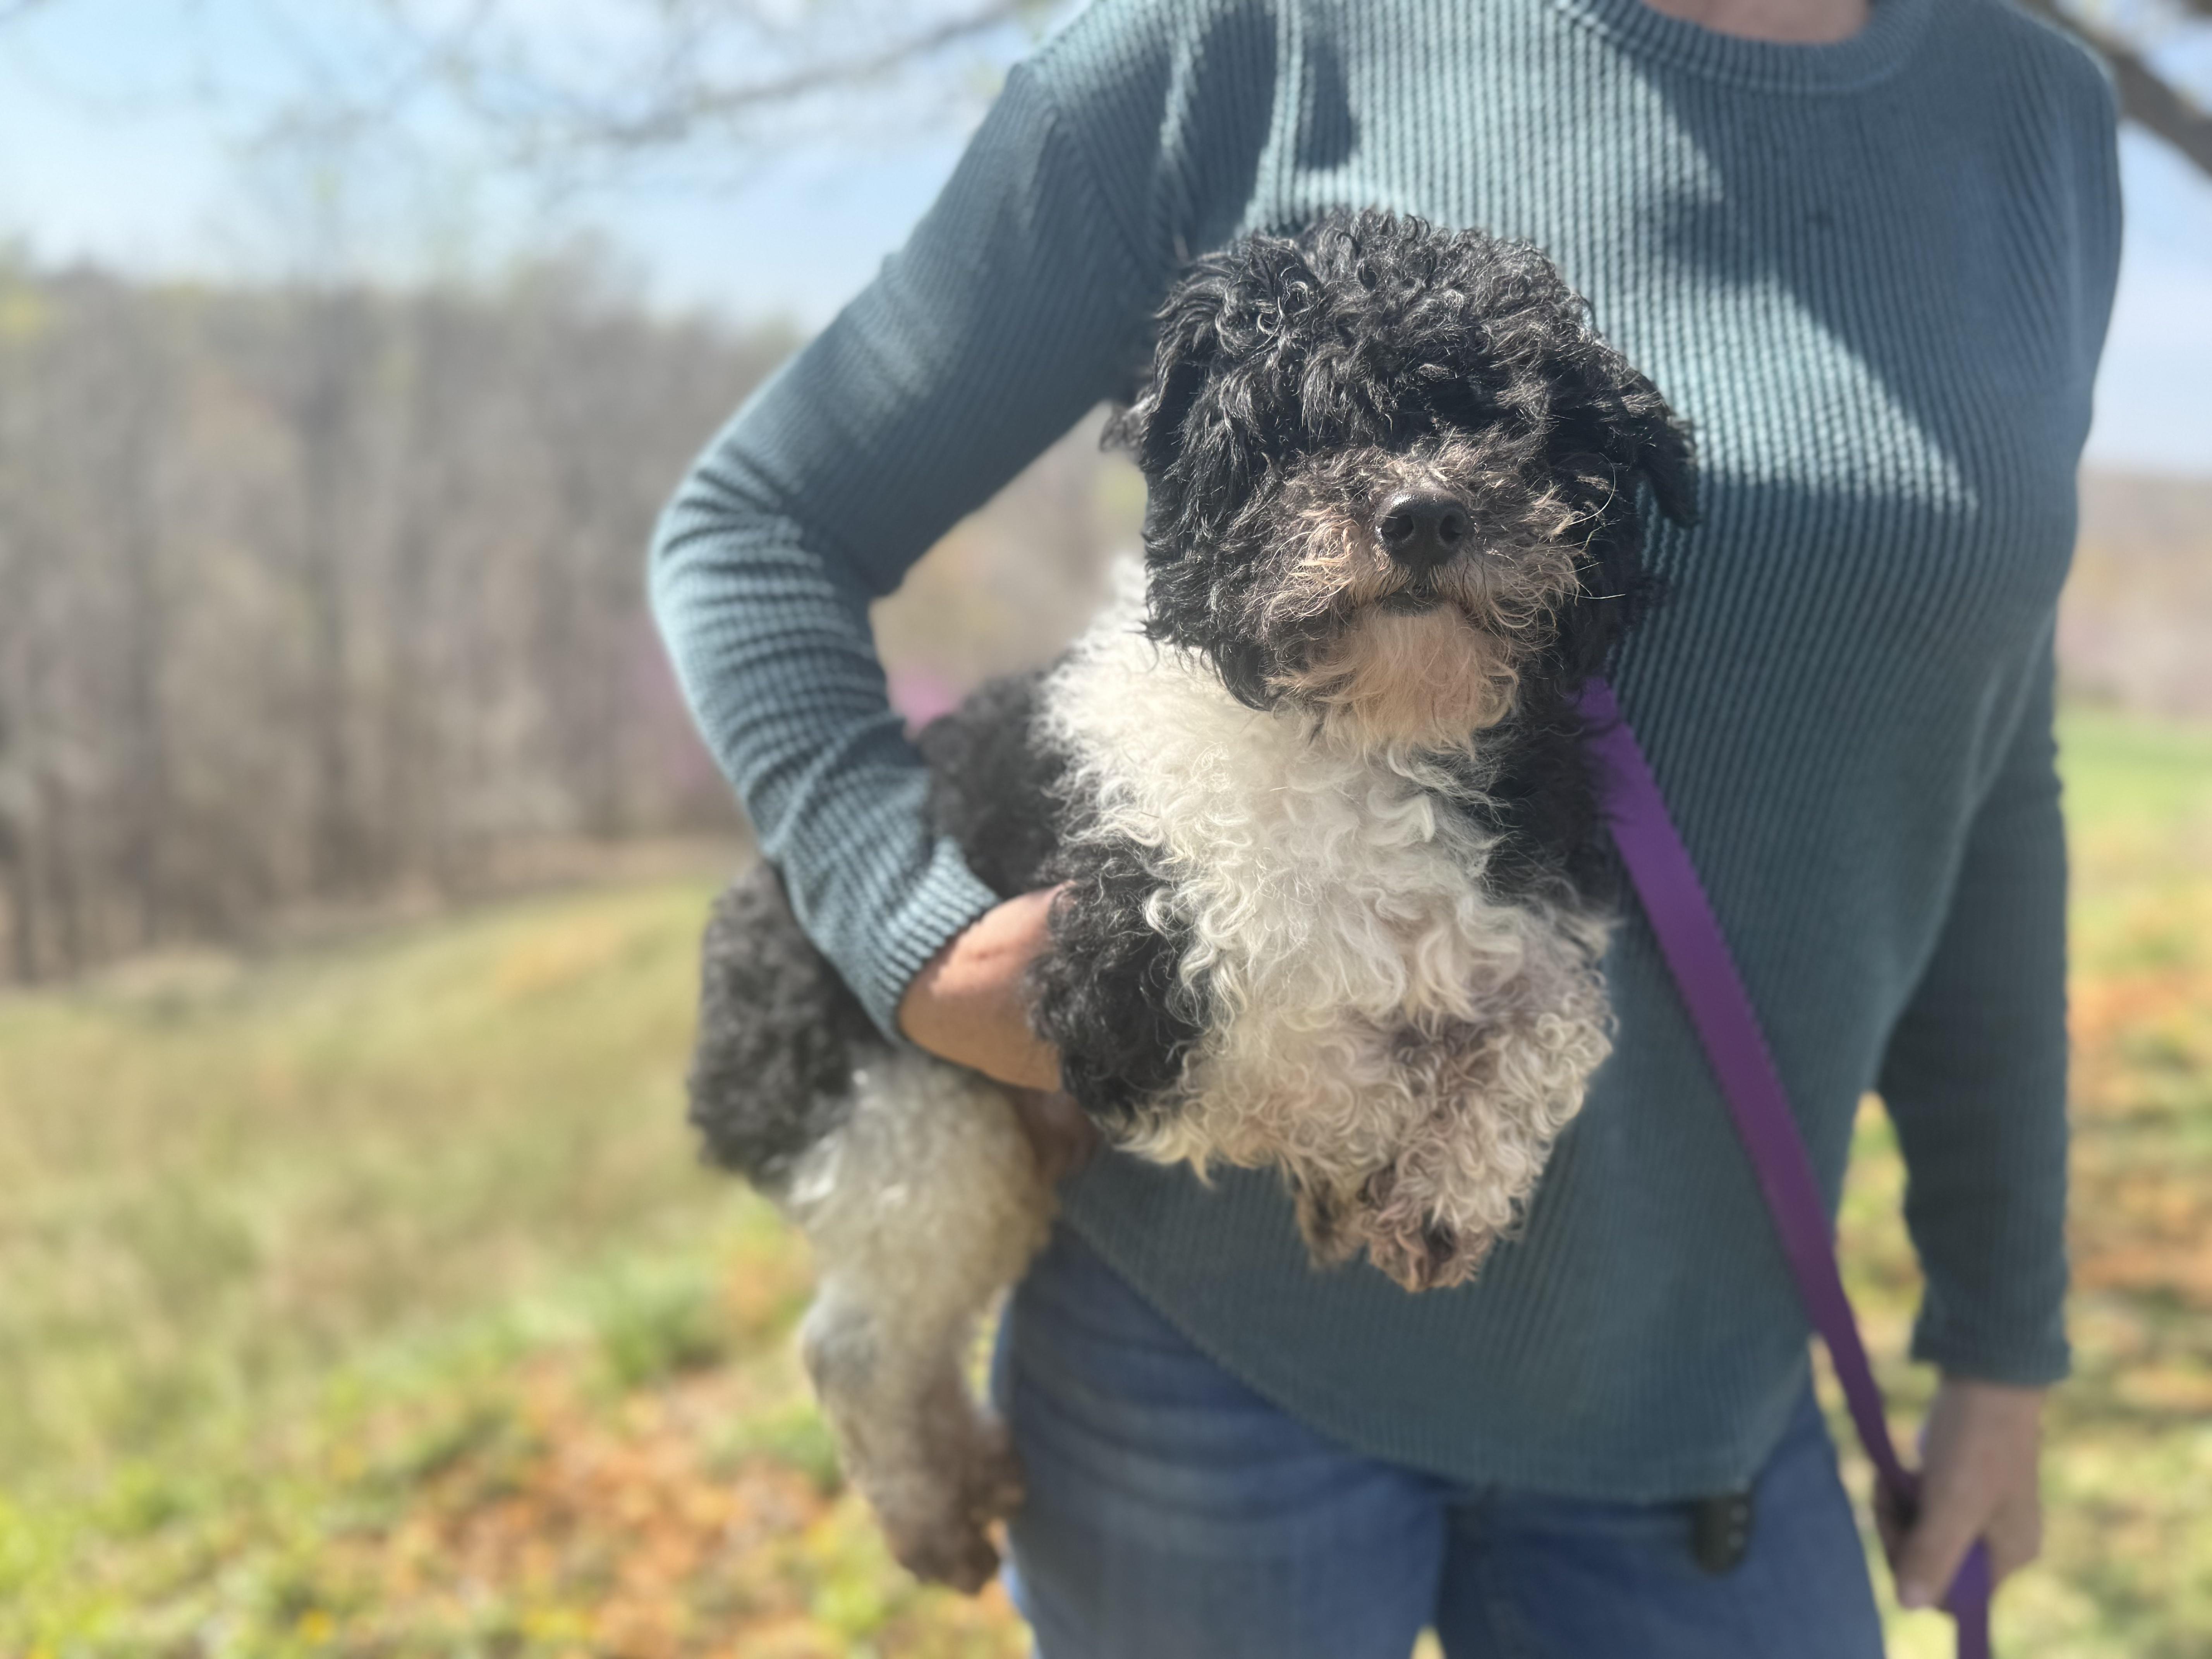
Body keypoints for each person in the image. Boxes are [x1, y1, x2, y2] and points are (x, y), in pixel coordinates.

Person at [649, 0, 2119, 1650]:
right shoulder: (1235, 40)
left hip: (1711, 1377)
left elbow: (1990, 768)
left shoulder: (2040, 118)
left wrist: (2004, 1331)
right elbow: (753, 522)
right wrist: (907, 939)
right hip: (1205, 1371)